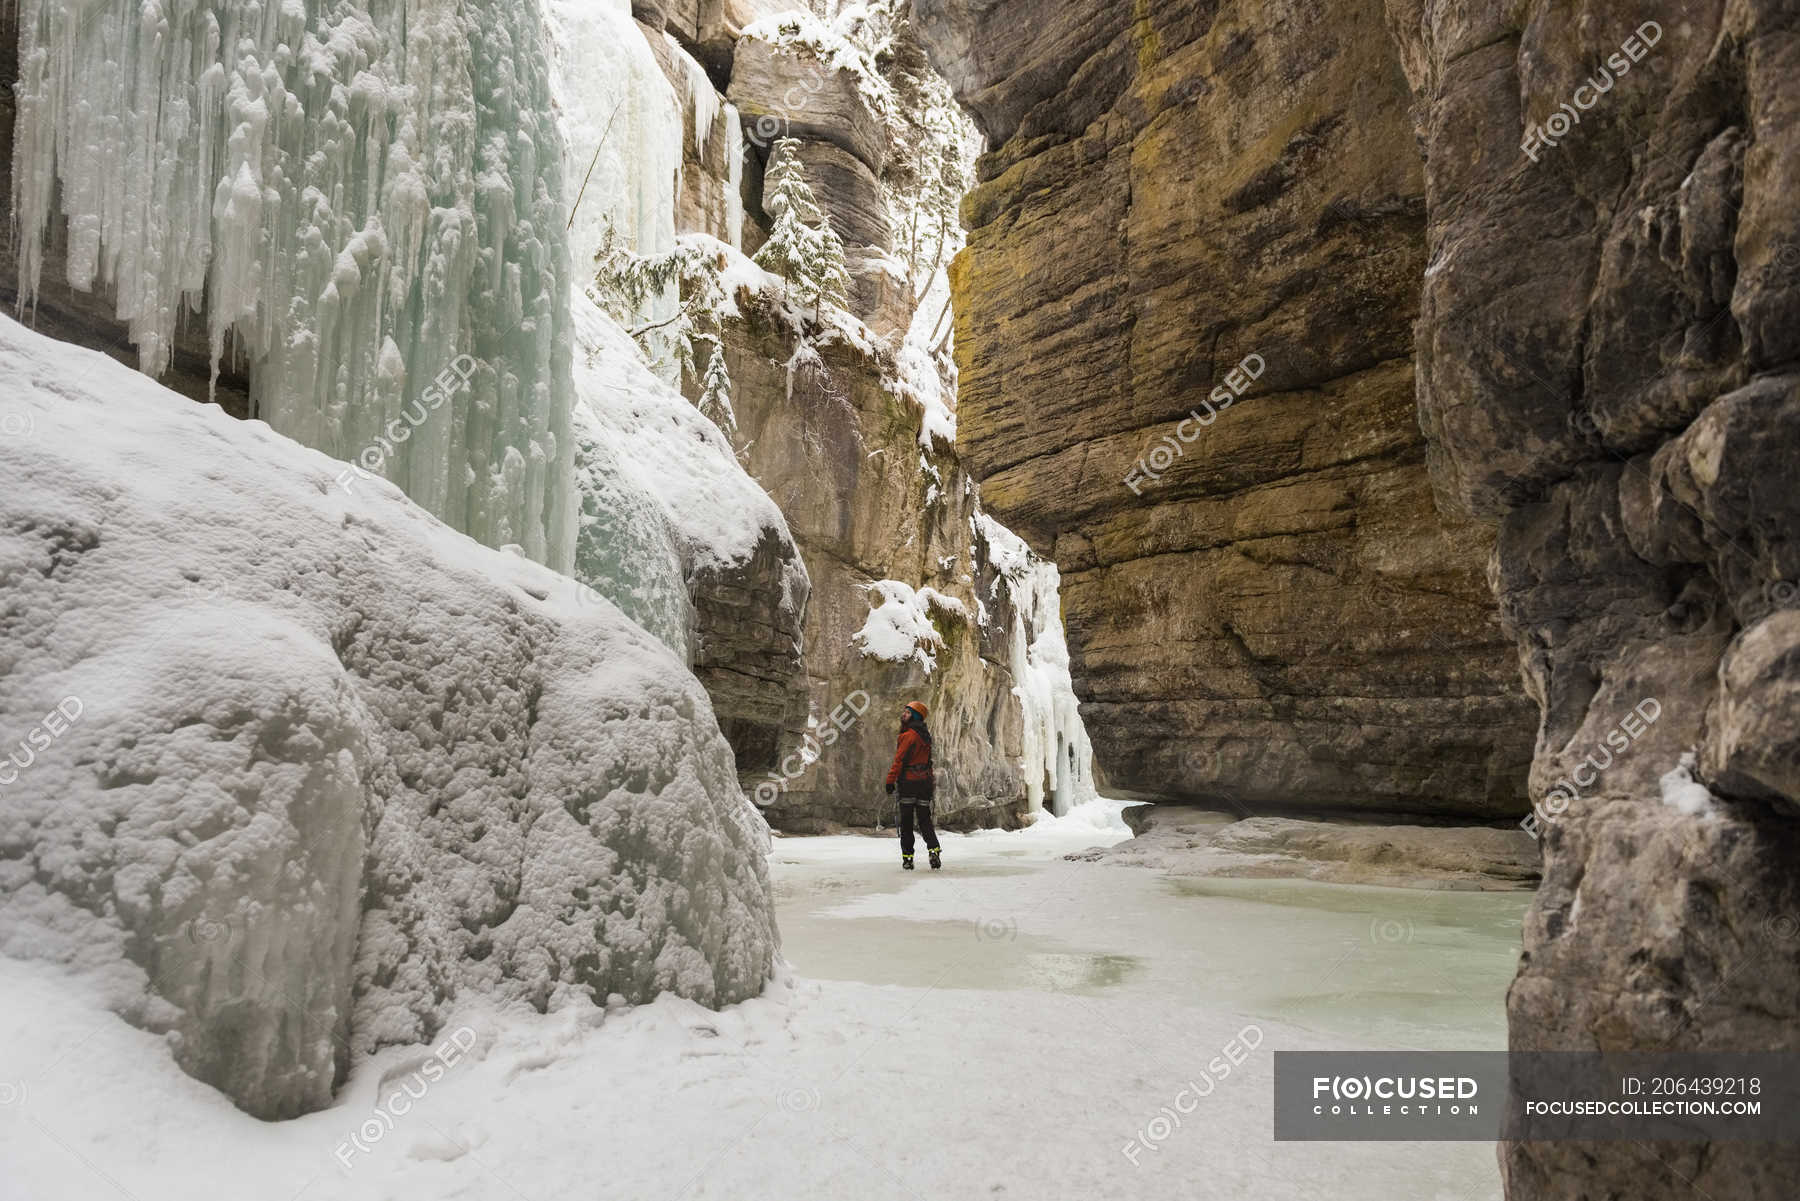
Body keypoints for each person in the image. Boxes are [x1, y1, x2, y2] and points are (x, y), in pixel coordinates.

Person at [884, 700, 941, 870]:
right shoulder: (925, 735)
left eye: (908, 713)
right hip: (924, 783)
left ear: (914, 716)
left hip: (908, 782)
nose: (904, 715)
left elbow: (899, 760)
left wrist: (890, 781)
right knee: (925, 820)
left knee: (907, 821)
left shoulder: (908, 735)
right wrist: (930, 782)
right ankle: (934, 850)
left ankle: (908, 859)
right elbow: (928, 762)